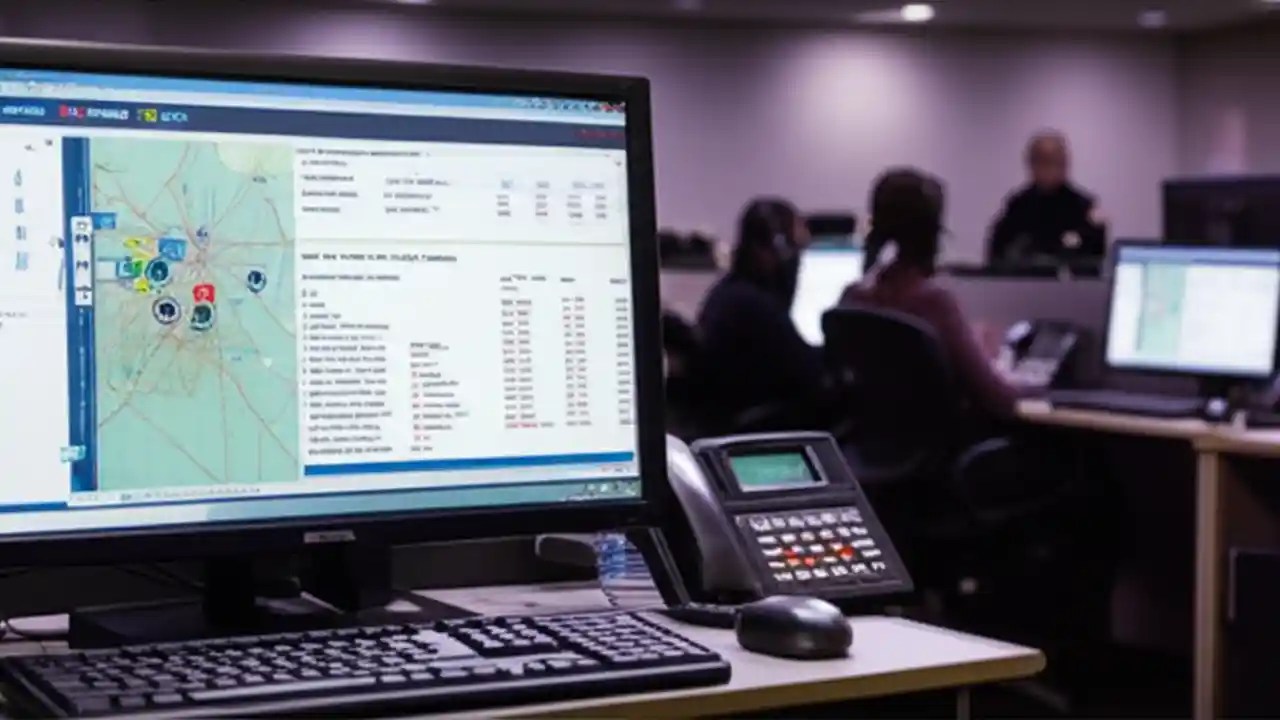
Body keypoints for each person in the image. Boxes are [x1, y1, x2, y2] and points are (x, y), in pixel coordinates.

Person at [844, 169, 1021, 419]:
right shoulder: (934, 303)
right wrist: (983, 351)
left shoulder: (851, 299)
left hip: (865, 449)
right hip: (939, 453)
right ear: (933, 232)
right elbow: (998, 399)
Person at [698, 198, 824, 421]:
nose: (796, 262)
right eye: (795, 250)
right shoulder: (754, 306)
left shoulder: (729, 292)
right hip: (755, 424)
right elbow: (809, 372)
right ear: (775, 248)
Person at [986, 131, 1107, 266]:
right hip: (1024, 283)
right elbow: (996, 258)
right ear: (1031, 165)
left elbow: (1097, 261)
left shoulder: (1084, 206)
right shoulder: (1017, 205)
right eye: (1045, 162)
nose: (1052, 169)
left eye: (1059, 162)